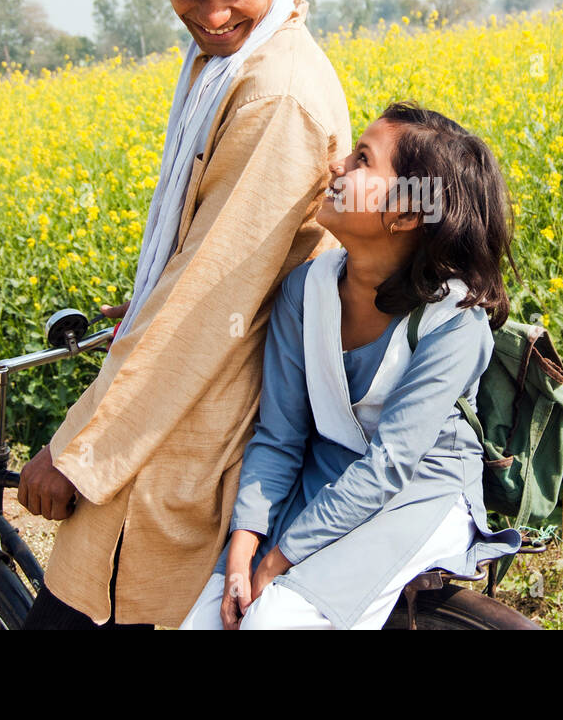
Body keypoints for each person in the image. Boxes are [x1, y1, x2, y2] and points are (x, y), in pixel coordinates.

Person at [16, 0, 352, 628]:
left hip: (204, 430)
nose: (213, 15)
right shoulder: (227, 60)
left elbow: (205, 304)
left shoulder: (278, 95)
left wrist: (79, 449)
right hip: (181, 401)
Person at [179, 101, 524, 630]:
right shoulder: (306, 291)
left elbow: (391, 465)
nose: (337, 166)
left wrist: (278, 560)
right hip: (327, 475)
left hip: (419, 491)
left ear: (408, 213)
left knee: (276, 619)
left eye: (363, 159)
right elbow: (279, 436)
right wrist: (244, 547)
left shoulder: (454, 323)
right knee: (204, 618)